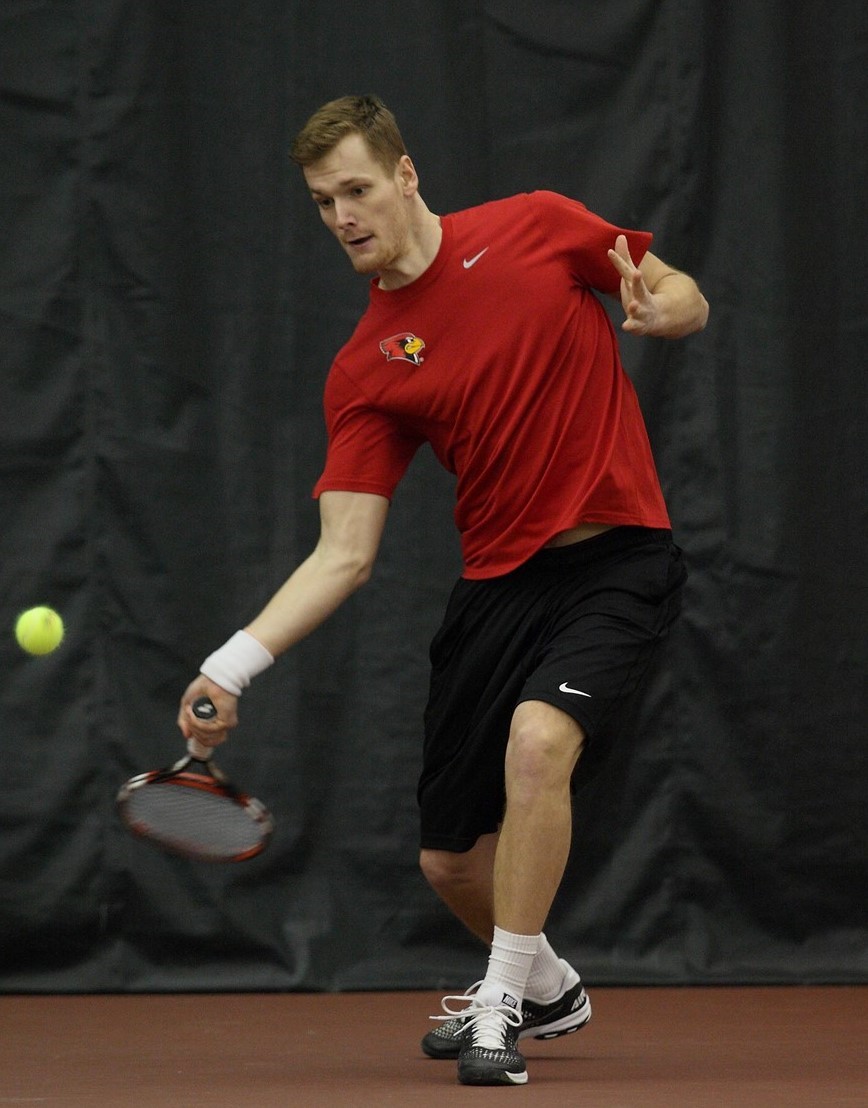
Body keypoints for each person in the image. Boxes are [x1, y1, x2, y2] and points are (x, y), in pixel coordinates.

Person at [178, 94, 709, 1087]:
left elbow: (673, 286)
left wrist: (667, 308)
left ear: (405, 175)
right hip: (497, 591)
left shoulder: (537, 228)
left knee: (539, 741)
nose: (342, 216)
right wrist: (231, 664)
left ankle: (499, 1010)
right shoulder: (366, 369)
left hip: (618, 561)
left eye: (357, 189)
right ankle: (546, 983)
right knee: (450, 866)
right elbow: (344, 551)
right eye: (323, 200)